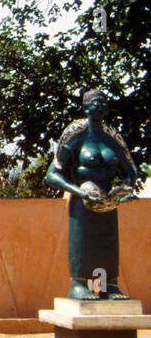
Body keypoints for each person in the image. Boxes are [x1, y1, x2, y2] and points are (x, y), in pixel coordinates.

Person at [45, 89, 139, 300]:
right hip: (83, 201)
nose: (102, 106)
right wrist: (80, 192)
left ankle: (107, 285)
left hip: (107, 201)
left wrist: (125, 189)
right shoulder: (76, 135)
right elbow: (52, 175)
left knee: (107, 243)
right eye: (97, 103)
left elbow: (130, 171)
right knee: (83, 243)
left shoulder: (111, 137)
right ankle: (78, 285)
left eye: (104, 103)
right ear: (86, 107)